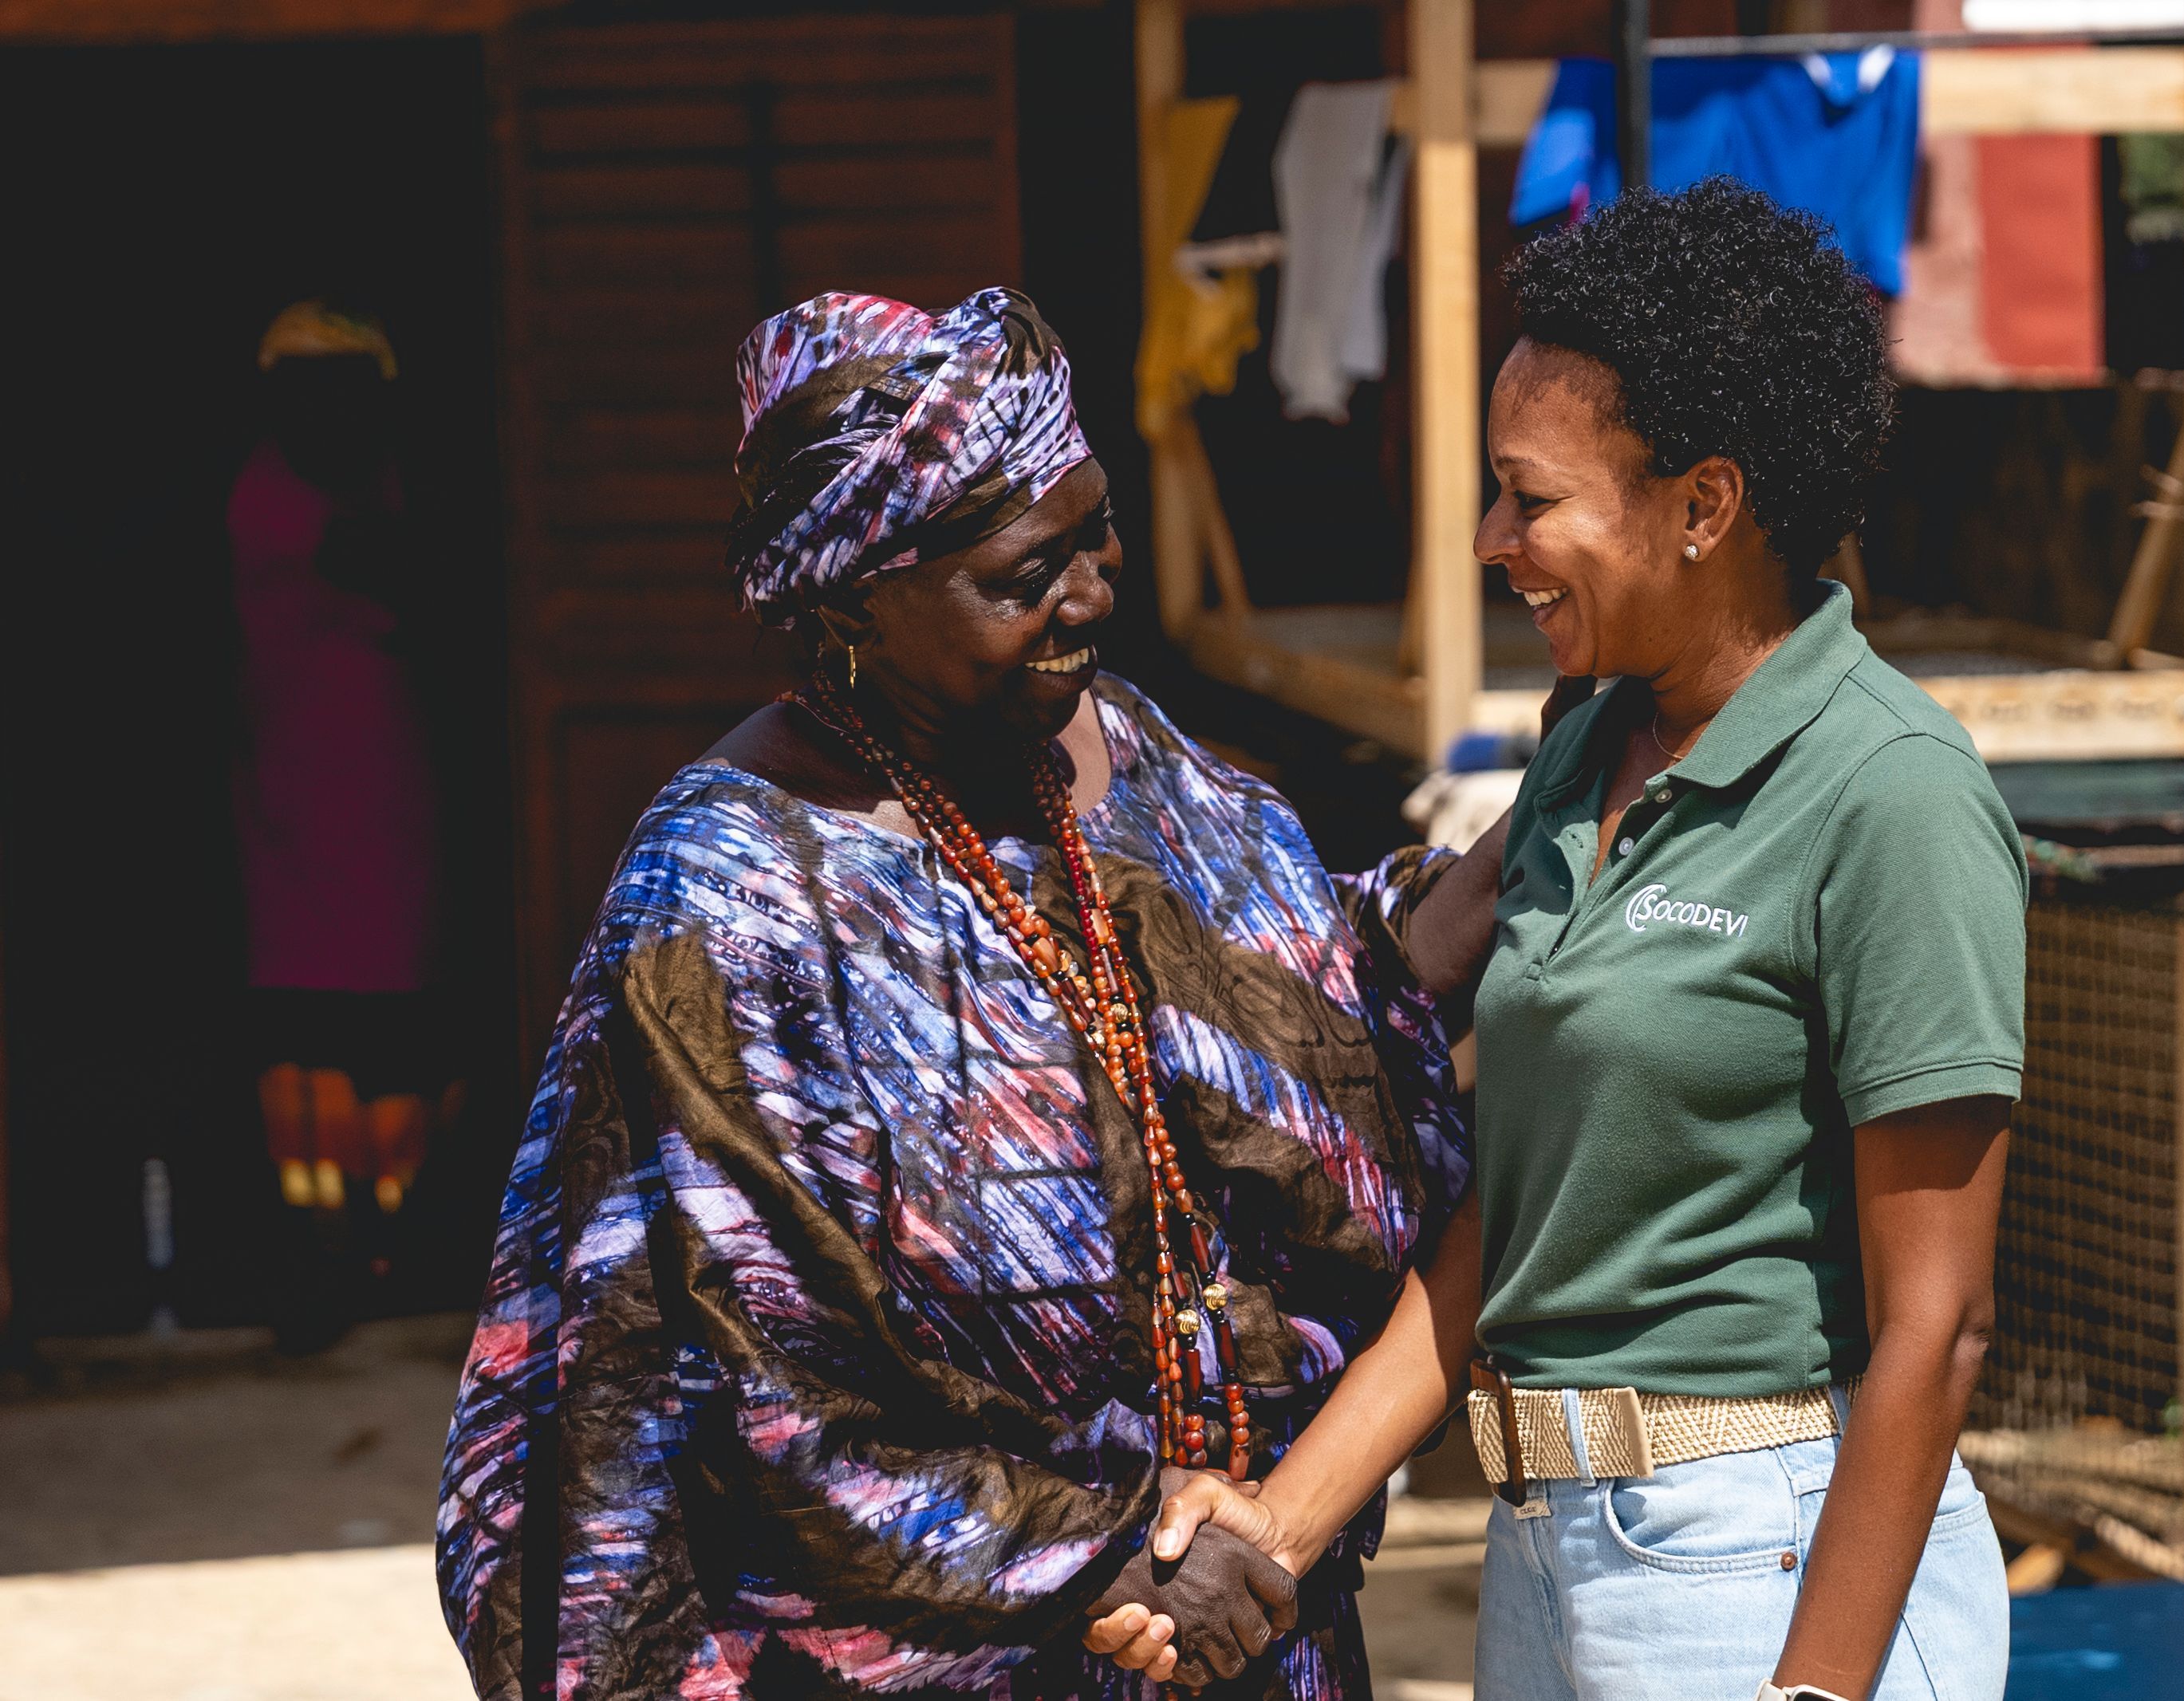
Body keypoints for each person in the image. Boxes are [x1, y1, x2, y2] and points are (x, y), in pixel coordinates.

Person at [436, 287, 1506, 1700]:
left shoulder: (1126, 748)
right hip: (941, 1653)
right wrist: (1101, 1547)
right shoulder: (731, 893)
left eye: (1097, 527)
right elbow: (757, 1382)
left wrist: (1454, 913)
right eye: (1025, 573)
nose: (1093, 592)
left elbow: (1287, 997)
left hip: (1239, 1615)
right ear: (852, 599)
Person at [1090, 182, 2025, 1701]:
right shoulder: (1585, 746)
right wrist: (1275, 1519)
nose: (1488, 539)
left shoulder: (1891, 792)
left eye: (1530, 499)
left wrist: (1815, 1692)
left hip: (1768, 1565)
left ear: (1703, 507)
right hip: (1546, 1560)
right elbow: (1501, 1229)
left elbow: (1940, 1323)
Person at [231, 299, 452, 1347]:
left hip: (386, 780)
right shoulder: (277, 495)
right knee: (312, 1019)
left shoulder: (366, 482)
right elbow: (393, 565)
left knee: (393, 1016)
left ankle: (385, 1235)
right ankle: (320, 1241)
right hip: (295, 778)